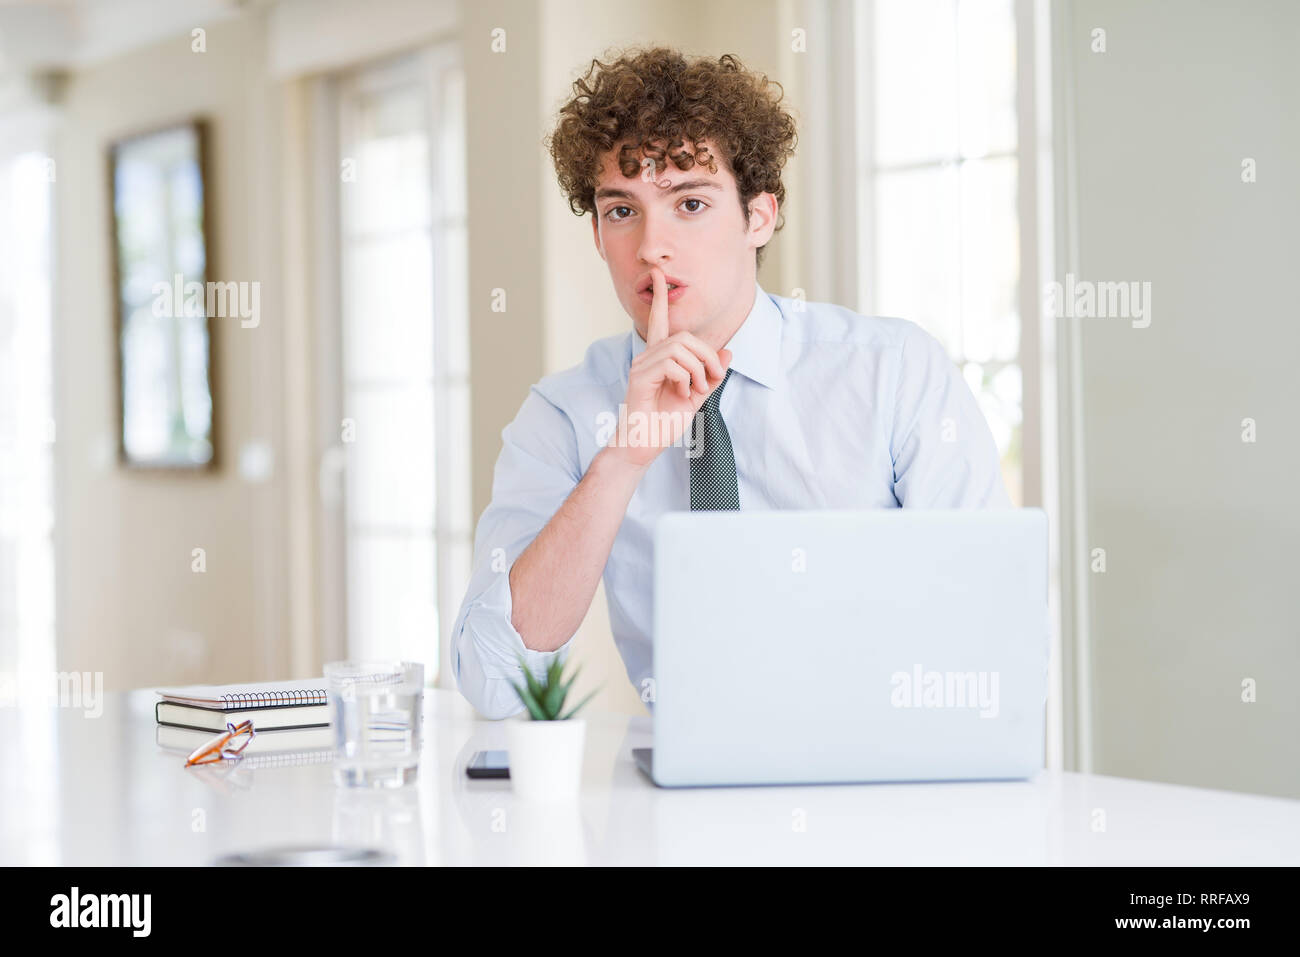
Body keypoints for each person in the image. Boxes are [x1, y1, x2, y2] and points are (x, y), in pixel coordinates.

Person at [451, 46, 1010, 719]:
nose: (652, 245)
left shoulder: (893, 372)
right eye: (621, 211)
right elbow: (494, 681)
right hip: (675, 799)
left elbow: (989, 626)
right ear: (598, 235)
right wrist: (624, 458)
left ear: (759, 217)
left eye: (690, 202)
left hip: (878, 779)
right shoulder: (565, 414)